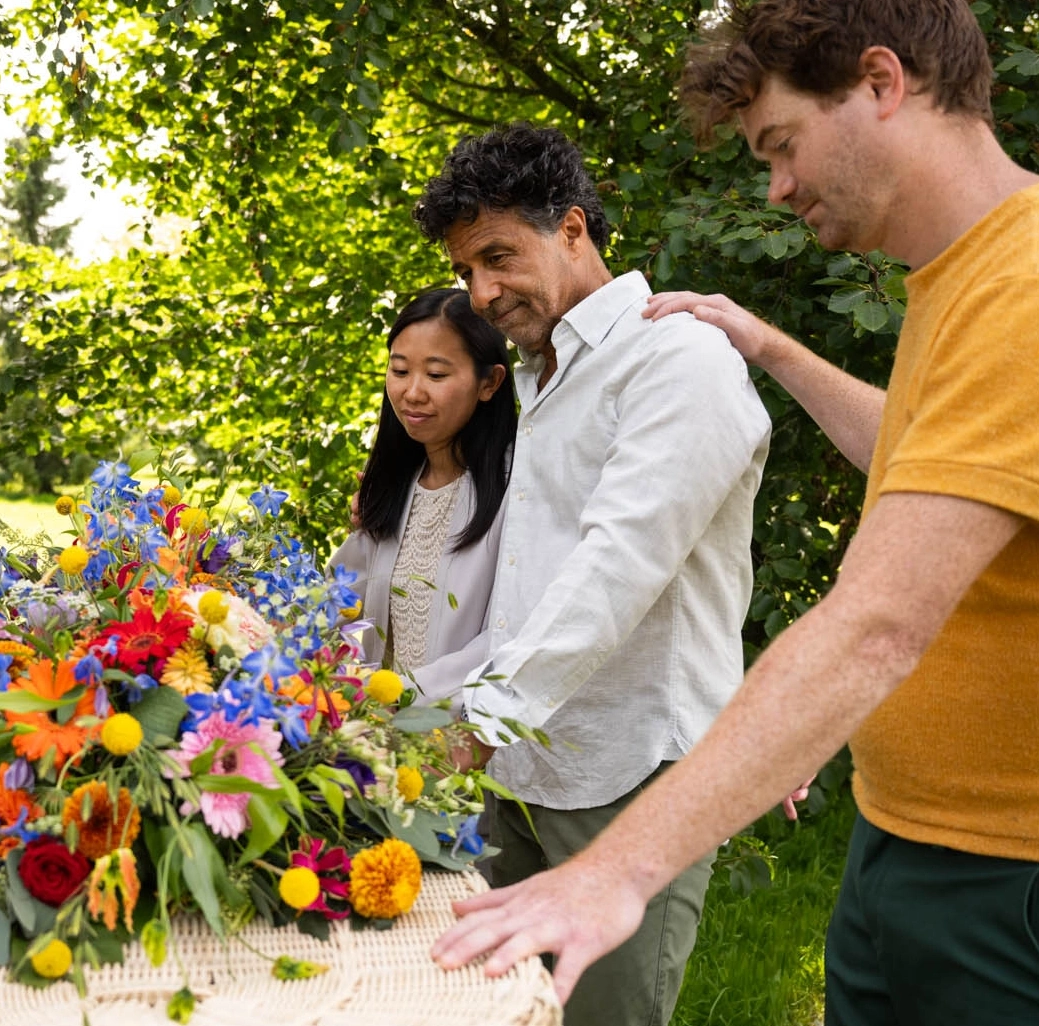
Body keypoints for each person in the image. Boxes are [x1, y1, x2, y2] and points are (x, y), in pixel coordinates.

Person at [430, 4, 1039, 1024]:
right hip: (901, 839)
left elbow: (877, 624)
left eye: (780, 145)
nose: (774, 186)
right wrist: (773, 347)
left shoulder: (1035, 277)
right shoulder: (958, 282)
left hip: (1013, 879)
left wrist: (622, 865)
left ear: (881, 83)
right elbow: (909, 450)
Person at [412, 125, 772, 1026]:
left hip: (632, 775)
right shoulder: (541, 377)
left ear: (572, 227)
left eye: (498, 257)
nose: (481, 293)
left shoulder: (675, 360)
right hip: (521, 773)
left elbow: (620, 566)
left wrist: (478, 724)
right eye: (466, 272)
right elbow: (527, 594)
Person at [330, 287, 514, 700]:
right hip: (387, 743)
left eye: (436, 375)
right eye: (399, 371)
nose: (412, 392)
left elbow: (510, 635)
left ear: (490, 382)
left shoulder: (518, 490)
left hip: (468, 744)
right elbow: (334, 603)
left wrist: (403, 697)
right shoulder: (394, 485)